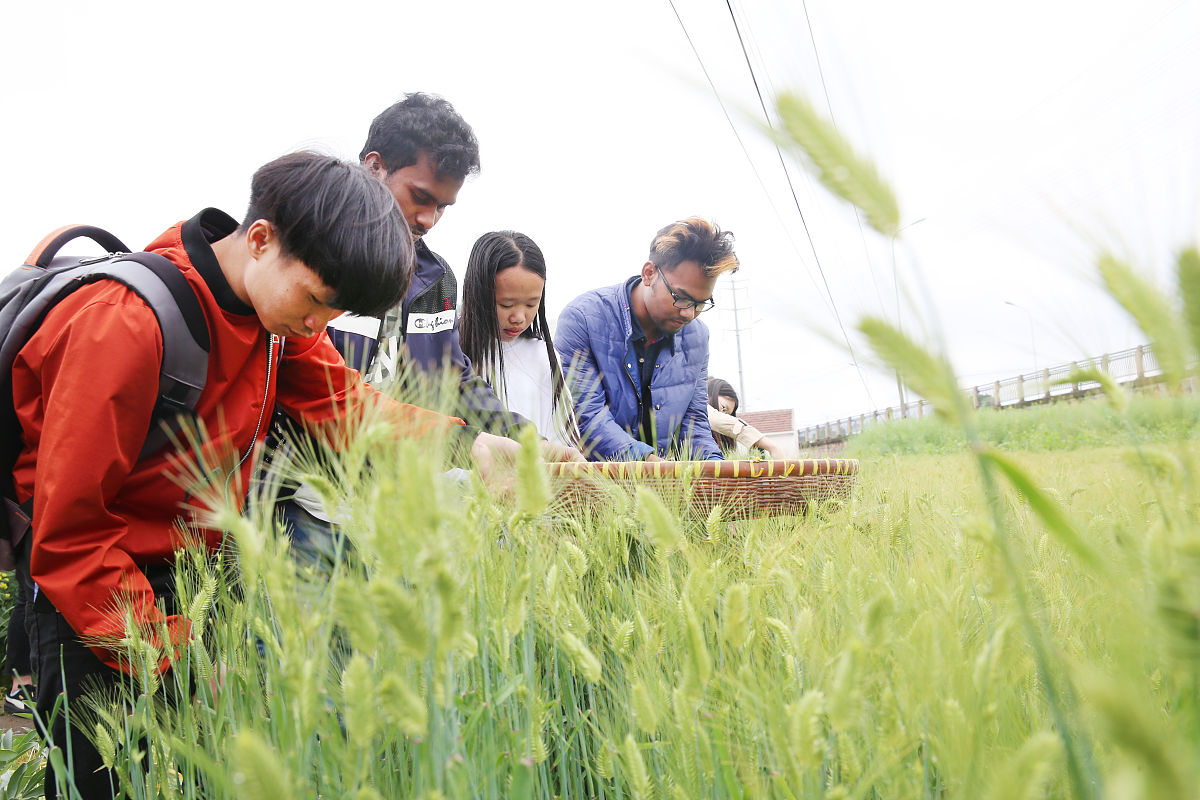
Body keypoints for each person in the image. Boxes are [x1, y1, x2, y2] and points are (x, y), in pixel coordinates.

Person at [12, 151, 518, 799]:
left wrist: (468, 445)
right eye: (316, 301)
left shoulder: (277, 320)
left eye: (335, 314)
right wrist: (174, 655)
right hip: (91, 602)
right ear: (260, 239)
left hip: (194, 587)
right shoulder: (124, 324)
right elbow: (71, 535)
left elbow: (350, 411)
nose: (320, 326)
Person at [275, 94, 580, 553]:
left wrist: (525, 442)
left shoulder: (436, 281)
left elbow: (452, 379)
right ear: (374, 166)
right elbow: (323, 392)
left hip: (395, 495)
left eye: (443, 207)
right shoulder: (313, 265)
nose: (428, 219)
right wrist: (462, 443)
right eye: (420, 197)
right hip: (305, 498)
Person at [556, 217, 739, 461]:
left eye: (700, 303)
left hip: (661, 483)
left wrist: (716, 471)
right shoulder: (583, 320)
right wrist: (652, 466)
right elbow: (587, 416)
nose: (689, 313)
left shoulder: (697, 336)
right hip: (593, 486)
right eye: (681, 297)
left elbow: (693, 423)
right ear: (649, 273)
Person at [459, 231, 580, 449]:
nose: (519, 318)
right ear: (476, 293)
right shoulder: (453, 355)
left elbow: (563, 441)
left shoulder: (542, 355)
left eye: (531, 304)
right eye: (506, 305)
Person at [706, 377, 787, 459]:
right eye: (723, 408)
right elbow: (714, 417)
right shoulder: (698, 405)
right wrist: (772, 447)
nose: (723, 415)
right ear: (709, 394)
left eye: (727, 414)